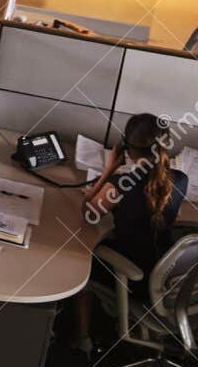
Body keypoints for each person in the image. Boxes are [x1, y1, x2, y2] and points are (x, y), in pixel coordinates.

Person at [66, 112, 189, 352]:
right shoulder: (181, 179)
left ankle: (82, 339)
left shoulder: (121, 184)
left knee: (83, 261)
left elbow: (89, 213)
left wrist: (109, 170)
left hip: (137, 279)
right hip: (167, 275)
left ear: (126, 148)